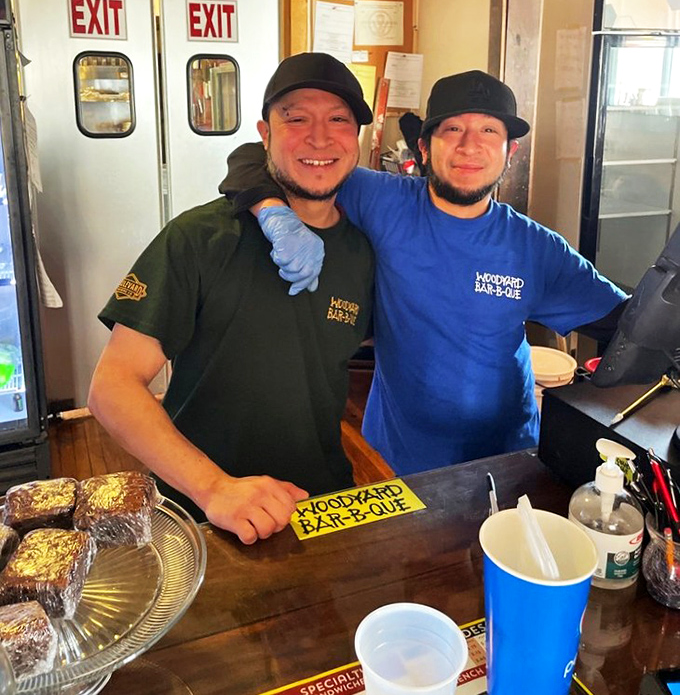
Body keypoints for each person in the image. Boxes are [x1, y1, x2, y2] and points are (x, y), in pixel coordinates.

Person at [221, 70, 628, 476]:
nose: (470, 145)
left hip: (508, 457)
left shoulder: (537, 248)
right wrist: (272, 211)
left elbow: (627, 325)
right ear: (424, 147)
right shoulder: (382, 201)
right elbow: (256, 156)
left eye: (489, 130)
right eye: (452, 129)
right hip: (395, 456)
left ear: (511, 151)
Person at [88, 52, 375, 544]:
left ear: (357, 138)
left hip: (320, 503)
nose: (319, 138)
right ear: (265, 134)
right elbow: (112, 387)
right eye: (296, 119)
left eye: (338, 120)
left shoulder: (362, 252)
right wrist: (214, 487)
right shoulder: (199, 238)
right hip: (200, 510)